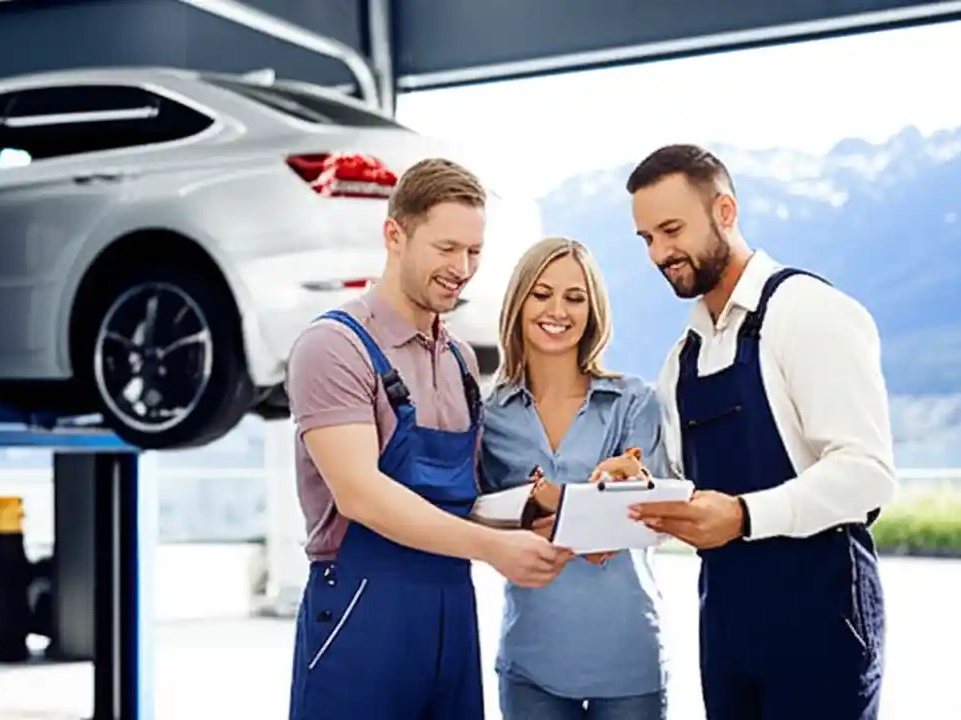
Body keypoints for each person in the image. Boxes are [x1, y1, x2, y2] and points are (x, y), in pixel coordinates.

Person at [604, 143, 896, 720]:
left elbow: (867, 476)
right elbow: (689, 487)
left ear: (726, 212)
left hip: (822, 616)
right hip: (728, 621)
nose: (661, 253)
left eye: (671, 229)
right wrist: (643, 486)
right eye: (647, 240)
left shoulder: (808, 313)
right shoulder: (681, 360)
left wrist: (741, 516)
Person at [284, 157, 572, 720]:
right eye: (446, 248)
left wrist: (540, 515)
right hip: (360, 612)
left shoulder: (462, 359)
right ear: (395, 234)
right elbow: (360, 495)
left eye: (474, 252)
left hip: (450, 608)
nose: (462, 268)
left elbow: (464, 499)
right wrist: (493, 549)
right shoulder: (333, 346)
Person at [478, 236, 670, 720]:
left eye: (574, 297)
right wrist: (586, 506)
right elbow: (477, 520)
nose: (557, 310)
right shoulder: (487, 417)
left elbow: (654, 518)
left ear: (593, 310)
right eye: (542, 294)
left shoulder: (632, 402)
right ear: (519, 303)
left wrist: (555, 500)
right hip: (531, 661)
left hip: (629, 660)